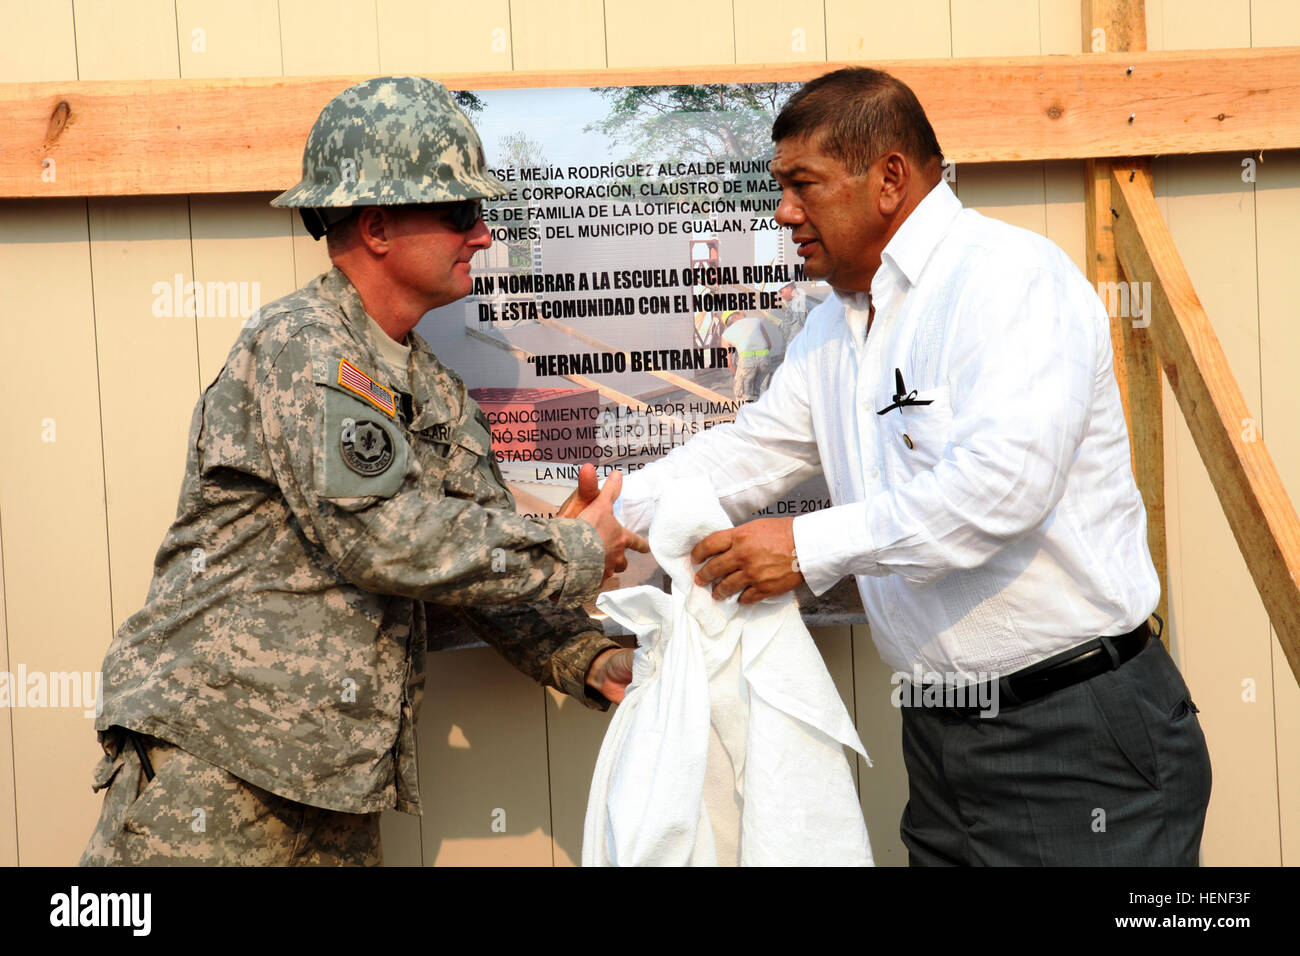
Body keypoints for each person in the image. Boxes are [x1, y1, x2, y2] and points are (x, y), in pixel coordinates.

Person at [602, 67, 1212, 866]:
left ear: (889, 178)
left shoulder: (1008, 282)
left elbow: (1001, 491)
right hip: (940, 741)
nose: (784, 212)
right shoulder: (834, 326)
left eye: (802, 184)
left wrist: (805, 549)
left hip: (1076, 731)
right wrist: (618, 513)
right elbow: (750, 452)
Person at [79, 76, 646, 867]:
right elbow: (383, 537)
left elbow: (463, 564)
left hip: (334, 779)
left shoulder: (434, 390)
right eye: (458, 214)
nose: (482, 235)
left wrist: (585, 655)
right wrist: (575, 549)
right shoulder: (303, 346)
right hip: (221, 767)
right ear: (378, 225)